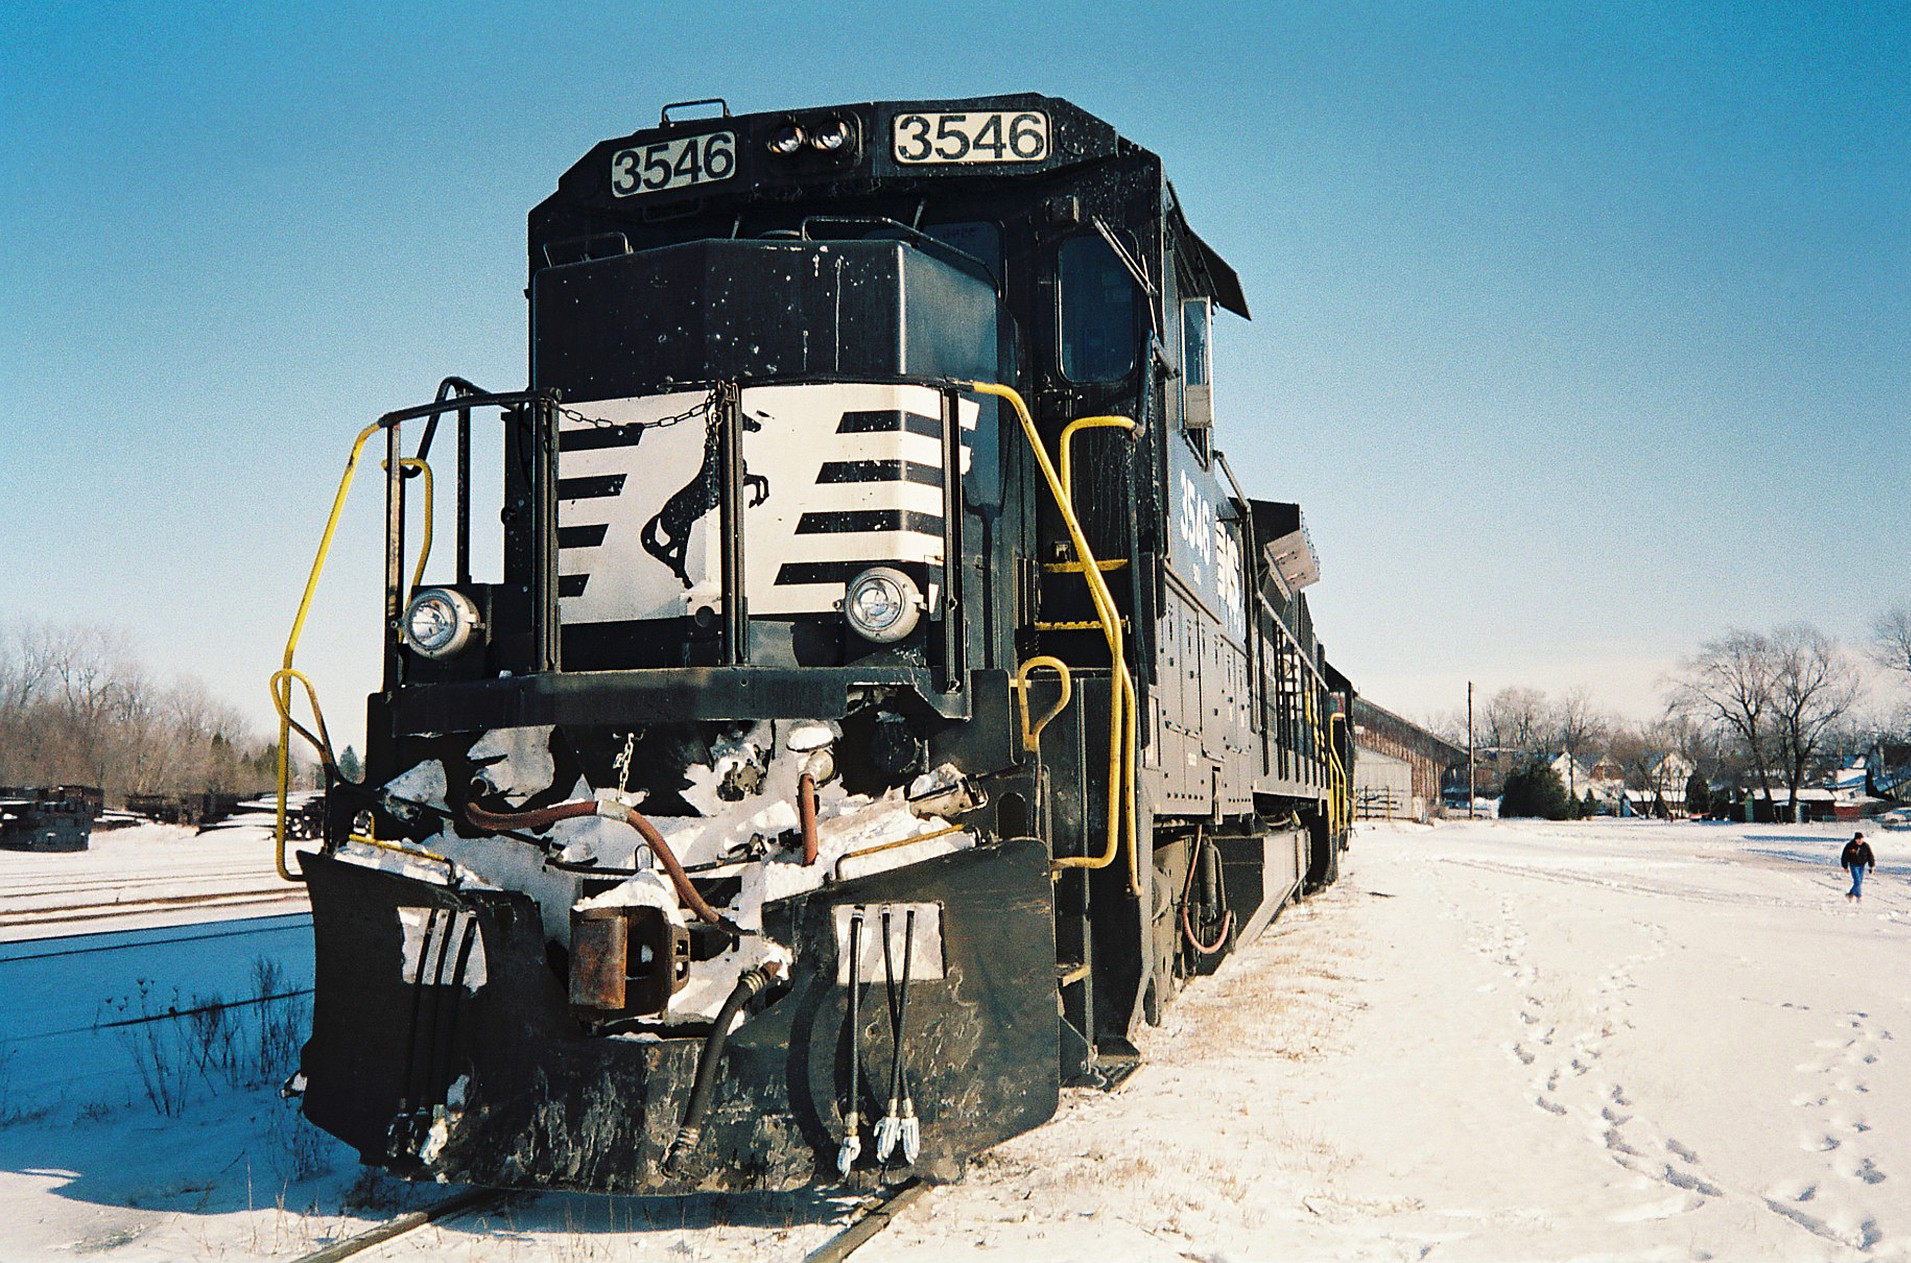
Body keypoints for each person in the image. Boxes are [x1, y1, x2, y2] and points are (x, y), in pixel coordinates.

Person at [1841, 832, 1876, 901]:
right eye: (1858, 839)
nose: (1859, 841)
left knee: (1860, 881)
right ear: (1855, 839)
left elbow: (1870, 856)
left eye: (1861, 839)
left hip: (1861, 866)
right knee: (1857, 881)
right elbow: (1844, 856)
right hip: (1853, 865)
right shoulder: (1850, 846)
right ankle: (1858, 895)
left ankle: (1852, 894)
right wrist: (1845, 866)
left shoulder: (1865, 846)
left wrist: (1871, 866)